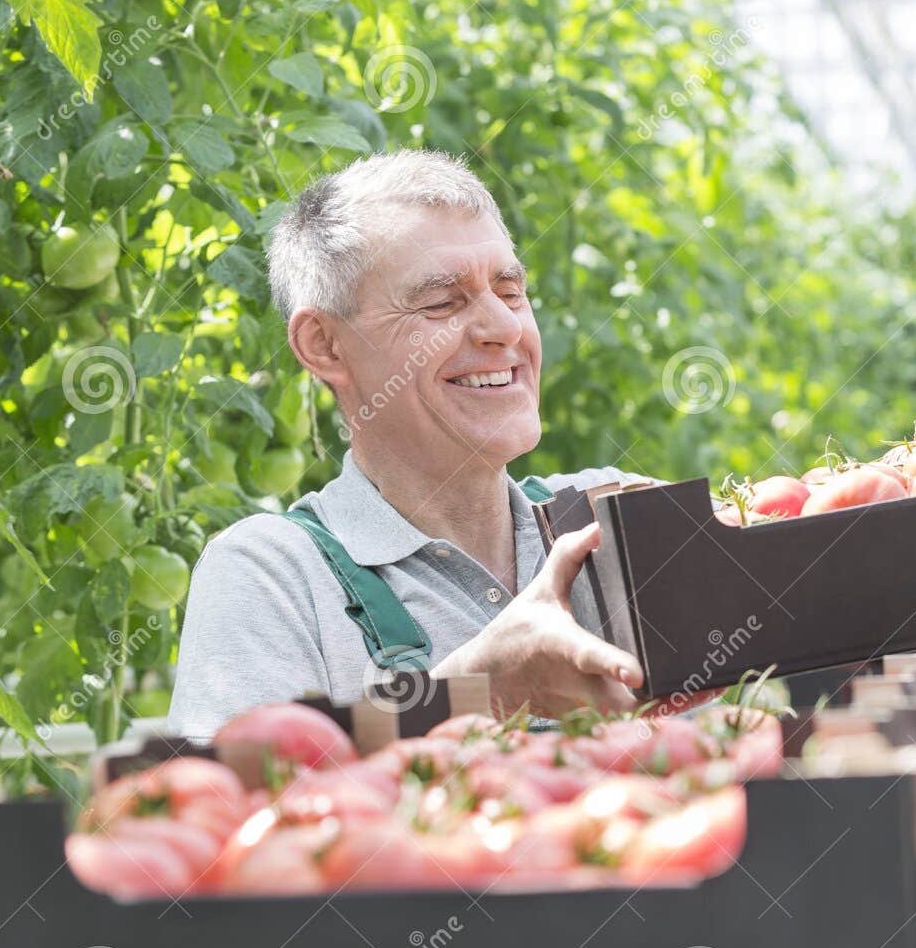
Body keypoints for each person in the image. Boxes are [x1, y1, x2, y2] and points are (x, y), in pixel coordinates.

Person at [168, 150, 675, 739]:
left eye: (510, 292)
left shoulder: (610, 515)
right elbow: (231, 807)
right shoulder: (273, 575)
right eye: (441, 303)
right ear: (326, 346)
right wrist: (481, 690)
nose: (506, 329)